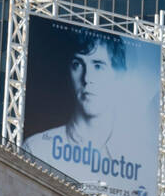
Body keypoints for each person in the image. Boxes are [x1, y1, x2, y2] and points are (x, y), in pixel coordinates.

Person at [25, 29, 130, 167]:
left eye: (98, 66)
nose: (87, 78)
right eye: (77, 64)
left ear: (118, 76)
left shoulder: (137, 156)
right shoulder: (36, 150)